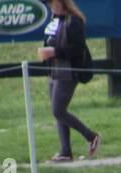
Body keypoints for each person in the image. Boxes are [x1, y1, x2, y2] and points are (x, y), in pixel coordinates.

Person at [39, 0, 99, 163]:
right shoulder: (54, 19)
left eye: (52, 2)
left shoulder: (74, 21)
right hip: (54, 70)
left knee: (58, 111)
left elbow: (77, 49)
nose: (51, 5)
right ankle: (65, 151)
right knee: (59, 113)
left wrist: (53, 52)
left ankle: (91, 136)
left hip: (68, 71)